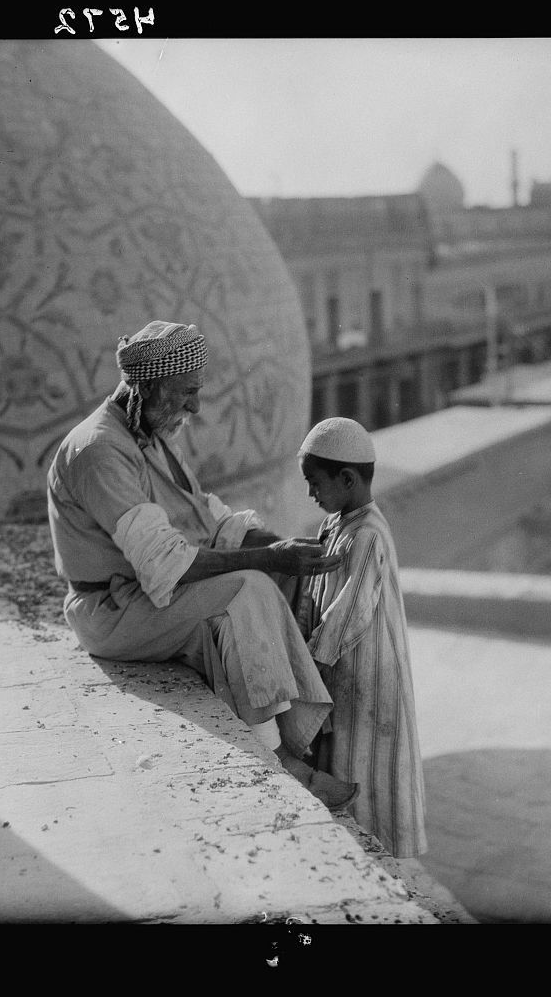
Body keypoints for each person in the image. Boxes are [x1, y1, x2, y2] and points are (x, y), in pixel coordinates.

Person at [47, 320, 360, 812]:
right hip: (111, 613)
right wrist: (267, 559)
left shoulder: (148, 429)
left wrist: (279, 548)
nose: (195, 407)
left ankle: (298, 739)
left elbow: (204, 516)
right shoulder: (102, 451)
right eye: (187, 393)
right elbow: (164, 563)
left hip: (144, 601)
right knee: (248, 588)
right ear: (149, 386)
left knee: (274, 577)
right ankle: (281, 760)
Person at [298, 417, 427, 857]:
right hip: (341, 673)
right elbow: (315, 595)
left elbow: (347, 614)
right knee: (346, 763)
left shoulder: (368, 534)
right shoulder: (334, 525)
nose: (311, 493)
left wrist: (309, 663)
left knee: (369, 770)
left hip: (369, 678)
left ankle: (378, 858)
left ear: (348, 479)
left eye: (315, 482)